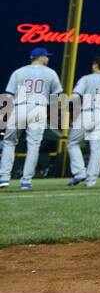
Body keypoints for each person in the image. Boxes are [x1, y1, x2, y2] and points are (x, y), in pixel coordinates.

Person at [1, 48, 64, 189]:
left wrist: (4, 116)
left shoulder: (18, 71)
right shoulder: (51, 73)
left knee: (9, 142)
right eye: (46, 56)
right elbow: (57, 96)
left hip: (19, 106)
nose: (48, 59)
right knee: (33, 145)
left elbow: (9, 95)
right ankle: (26, 181)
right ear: (40, 57)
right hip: (38, 108)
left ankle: (4, 178)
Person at [67, 56, 100, 187]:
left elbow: (75, 96)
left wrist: (65, 104)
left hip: (86, 113)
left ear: (95, 65)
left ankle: (80, 172)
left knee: (72, 143)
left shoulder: (86, 79)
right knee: (96, 148)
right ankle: (91, 180)